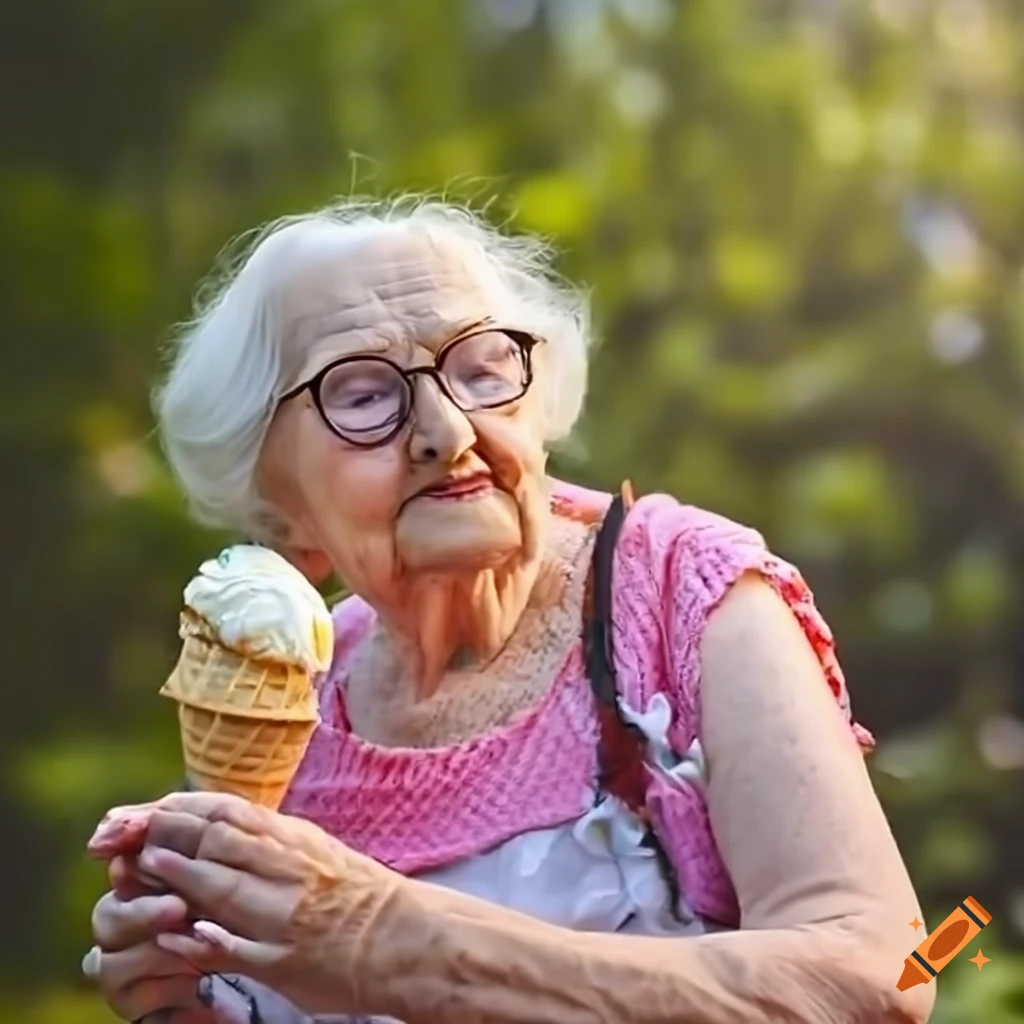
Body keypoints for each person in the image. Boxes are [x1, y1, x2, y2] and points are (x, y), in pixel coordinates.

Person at [82, 199, 935, 1024]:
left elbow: (891, 978)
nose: (448, 432)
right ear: (279, 502)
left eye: (482, 369)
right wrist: (190, 1006)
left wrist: (393, 942)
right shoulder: (287, 699)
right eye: (363, 394)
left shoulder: (684, 592)